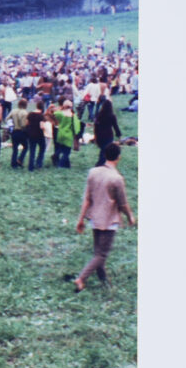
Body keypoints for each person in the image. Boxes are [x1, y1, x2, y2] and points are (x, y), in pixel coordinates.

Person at [73, 142, 136, 292]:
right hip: (109, 221)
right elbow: (122, 204)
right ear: (118, 158)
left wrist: (81, 219)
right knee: (102, 254)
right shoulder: (117, 178)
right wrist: (130, 217)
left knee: (98, 252)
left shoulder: (93, 172)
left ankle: (103, 279)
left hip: (94, 218)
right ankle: (81, 278)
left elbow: (87, 198)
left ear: (105, 155)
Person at [91, 97, 122, 167]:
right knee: (104, 151)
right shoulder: (112, 116)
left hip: (99, 135)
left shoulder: (99, 115)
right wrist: (119, 135)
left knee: (103, 149)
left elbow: (95, 126)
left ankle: (103, 163)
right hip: (108, 136)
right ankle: (100, 164)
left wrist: (95, 135)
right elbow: (115, 126)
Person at [52, 99, 79, 168]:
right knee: (66, 152)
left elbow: (54, 113)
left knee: (61, 148)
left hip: (60, 133)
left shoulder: (60, 114)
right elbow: (76, 127)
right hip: (68, 135)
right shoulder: (73, 116)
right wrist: (76, 134)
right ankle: (60, 165)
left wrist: (61, 108)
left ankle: (65, 163)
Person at [9, 98, 30, 168]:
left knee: (15, 149)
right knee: (26, 147)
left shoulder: (13, 111)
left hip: (14, 131)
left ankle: (13, 163)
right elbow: (24, 124)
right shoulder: (25, 112)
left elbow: (7, 119)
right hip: (22, 132)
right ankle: (20, 159)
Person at [26, 100, 46, 171]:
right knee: (42, 148)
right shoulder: (41, 116)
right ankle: (39, 163)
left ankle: (30, 167)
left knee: (32, 150)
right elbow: (42, 126)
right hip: (39, 135)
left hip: (31, 134)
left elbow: (27, 123)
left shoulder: (30, 114)